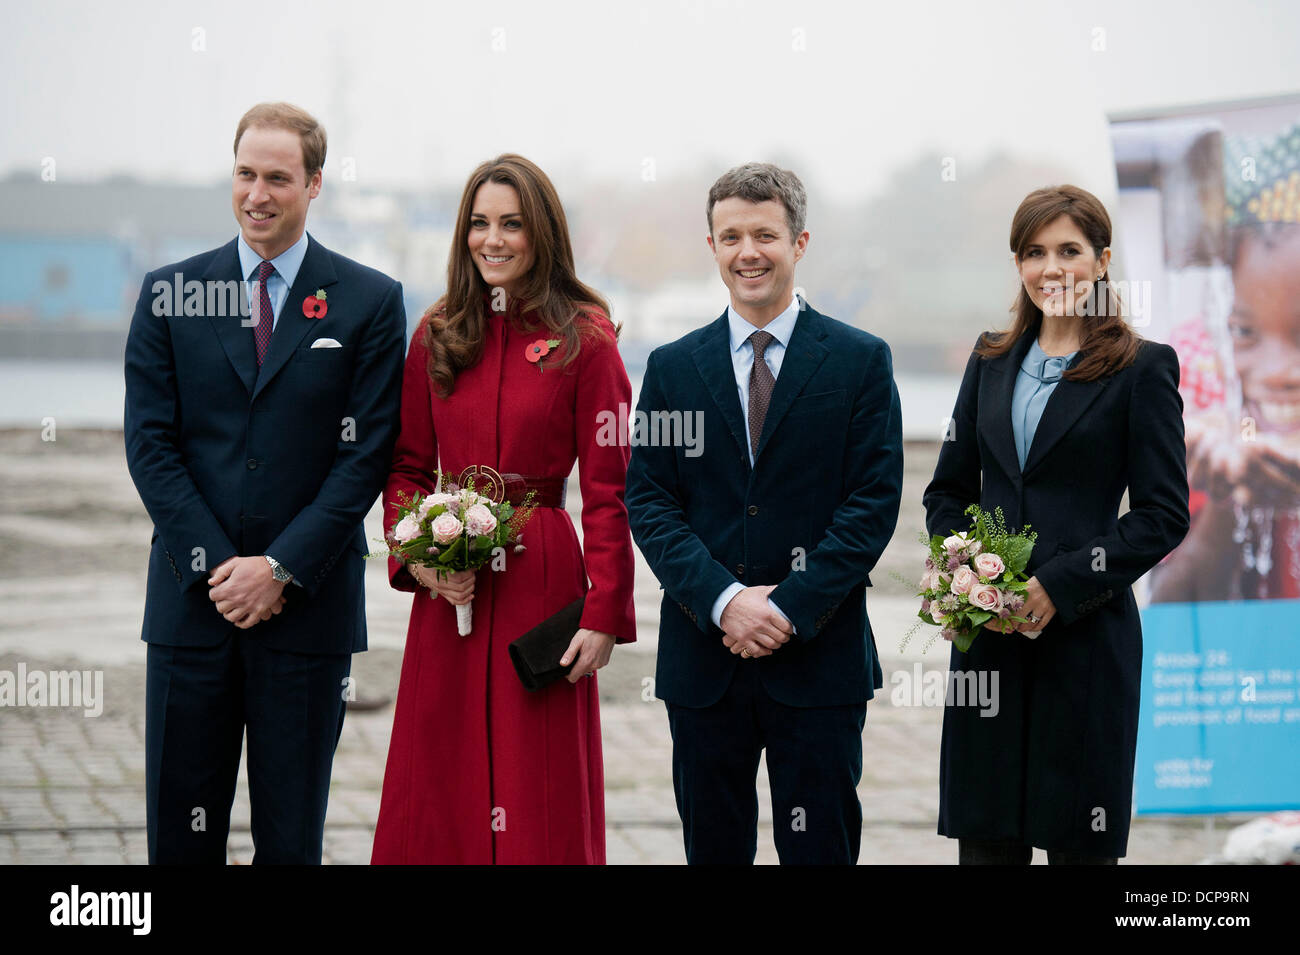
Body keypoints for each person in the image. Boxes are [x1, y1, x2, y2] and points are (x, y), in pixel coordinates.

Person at [123, 102, 407, 863]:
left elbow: (366, 457)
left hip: (307, 616)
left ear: (315, 184)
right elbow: (149, 445)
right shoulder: (169, 292)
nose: (258, 193)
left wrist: (279, 569)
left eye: (278, 178)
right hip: (192, 608)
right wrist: (218, 567)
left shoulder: (371, 301)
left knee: (291, 842)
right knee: (180, 842)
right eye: (246, 174)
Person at [625, 162, 904, 865]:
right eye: (731, 236)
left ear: (799, 242)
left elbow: (872, 504)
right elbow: (650, 499)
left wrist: (787, 606)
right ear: (712, 245)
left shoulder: (859, 361)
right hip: (703, 659)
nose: (748, 251)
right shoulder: (672, 367)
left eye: (765, 235)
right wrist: (723, 600)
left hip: (819, 657)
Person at [370, 154, 636, 865]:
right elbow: (403, 470)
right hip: (447, 581)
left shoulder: (587, 339)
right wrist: (420, 561)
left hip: (542, 582)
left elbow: (610, 493)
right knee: (439, 772)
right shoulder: (436, 333)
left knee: (537, 775)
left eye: (511, 224)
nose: (493, 239)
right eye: (480, 224)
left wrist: (605, 611)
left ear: (540, 232)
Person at [922, 184, 1190, 864]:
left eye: (1070, 250)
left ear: (1101, 261)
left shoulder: (1142, 368)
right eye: (1036, 252)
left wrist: (1061, 585)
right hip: (990, 643)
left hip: (1086, 646)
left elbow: (1163, 514)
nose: (1053, 268)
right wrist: (966, 572)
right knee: (986, 845)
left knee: (1080, 844)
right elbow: (948, 490)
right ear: (1019, 264)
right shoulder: (987, 361)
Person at [1149, 122, 1300, 602]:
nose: (1279, 370)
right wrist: (1226, 502)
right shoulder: (1211, 416)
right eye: (1244, 332)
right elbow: (1174, 609)